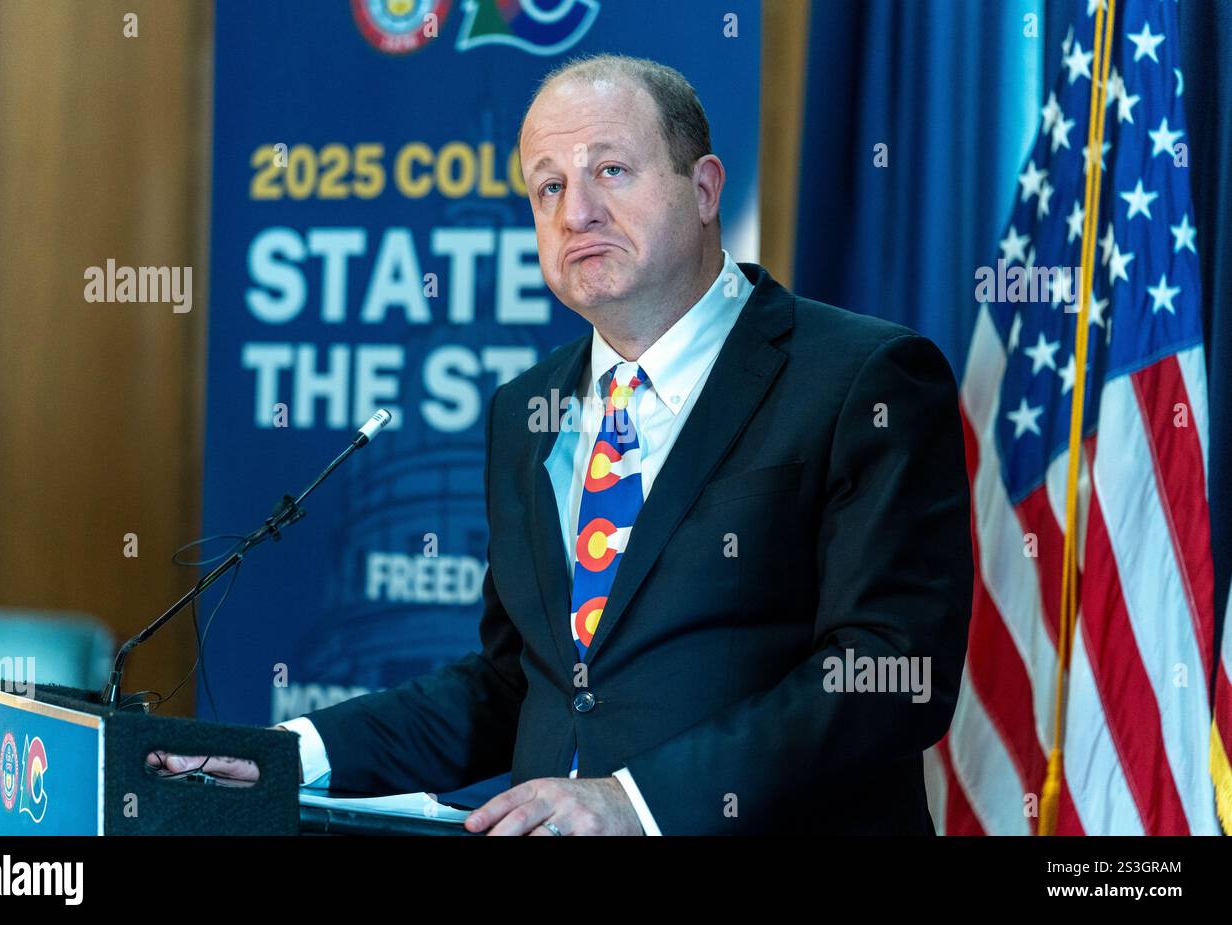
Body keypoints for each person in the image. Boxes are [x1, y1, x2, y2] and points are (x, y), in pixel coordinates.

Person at [154, 54, 972, 835]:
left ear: (705, 188)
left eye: (610, 170)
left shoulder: (862, 377)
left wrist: (638, 804)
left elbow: (892, 672)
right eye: (549, 187)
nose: (575, 211)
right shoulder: (527, 409)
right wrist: (292, 755)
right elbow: (514, 685)